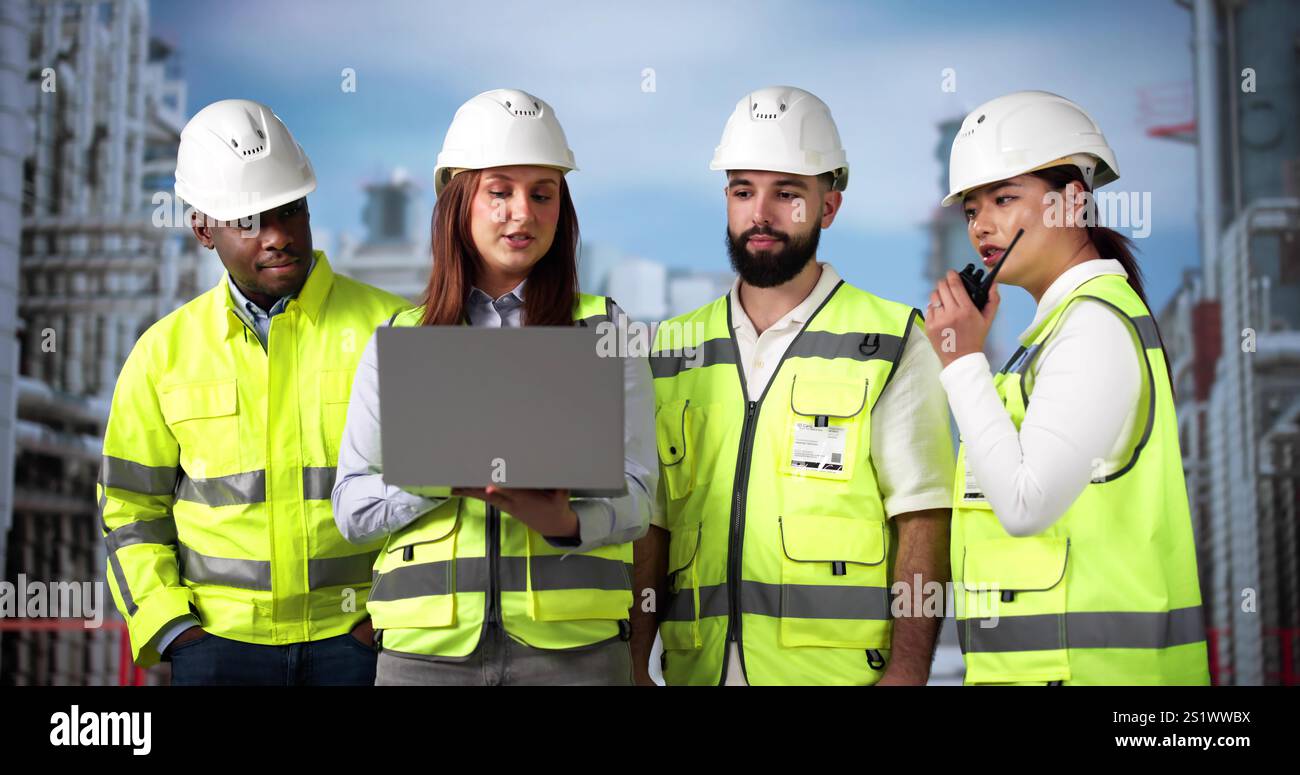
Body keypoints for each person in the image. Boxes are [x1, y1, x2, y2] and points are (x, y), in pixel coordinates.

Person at [331, 89, 656, 685]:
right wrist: (436, 480)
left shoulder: (605, 331)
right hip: (425, 654)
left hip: (573, 654)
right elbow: (351, 509)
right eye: (499, 191)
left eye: (542, 193)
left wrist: (563, 521)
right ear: (459, 202)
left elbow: (640, 494)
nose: (523, 214)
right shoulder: (400, 340)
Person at [631, 86, 955, 685]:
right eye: (743, 191)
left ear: (828, 208)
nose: (761, 213)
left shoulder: (890, 340)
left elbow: (923, 519)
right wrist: (634, 664)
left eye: (787, 193)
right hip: (695, 672)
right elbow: (652, 521)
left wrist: (908, 673)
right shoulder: (670, 349)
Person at [99, 99, 407, 684]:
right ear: (202, 230)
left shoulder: (394, 329)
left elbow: (436, 491)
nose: (277, 237)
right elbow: (130, 510)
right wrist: (174, 631)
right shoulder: (162, 354)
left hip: (363, 642)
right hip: (218, 650)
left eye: (289, 210)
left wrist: (386, 618)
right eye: (248, 221)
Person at [926, 90, 1210, 685]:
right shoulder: (1056, 332)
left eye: (1005, 198)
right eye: (972, 209)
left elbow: (1027, 506)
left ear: (1072, 202)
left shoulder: (1093, 326)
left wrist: (961, 362)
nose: (984, 224)